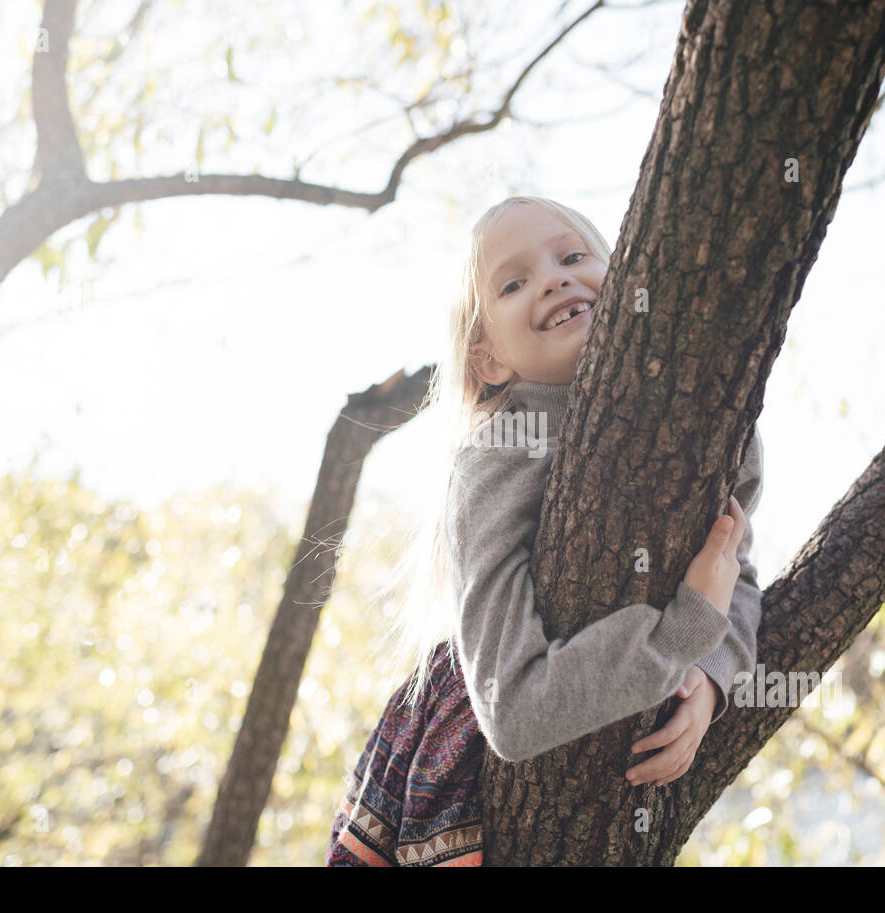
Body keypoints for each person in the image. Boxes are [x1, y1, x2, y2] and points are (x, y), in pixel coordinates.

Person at [326, 196, 764, 866]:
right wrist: (681, 634)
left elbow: (736, 574)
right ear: (488, 359)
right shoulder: (498, 456)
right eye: (513, 282)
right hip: (486, 736)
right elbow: (517, 709)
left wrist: (705, 675)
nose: (554, 279)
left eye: (573, 257)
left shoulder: (707, 417)